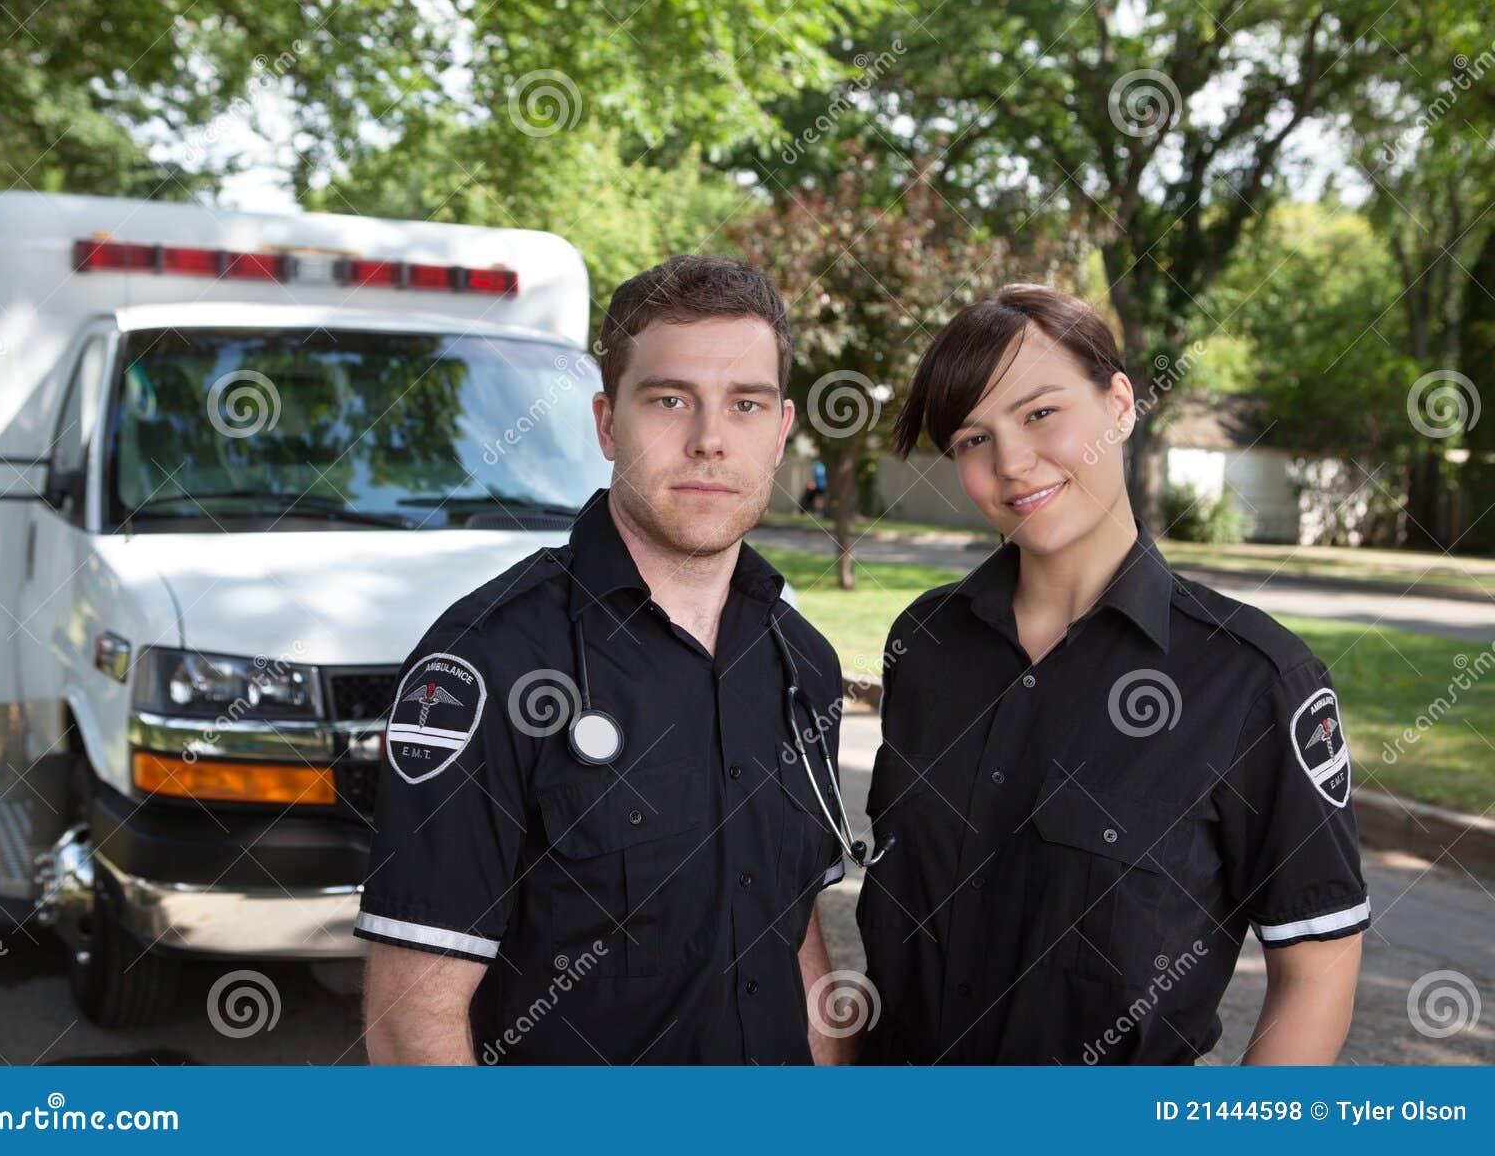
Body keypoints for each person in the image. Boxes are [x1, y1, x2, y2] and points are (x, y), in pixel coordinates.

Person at [856, 284, 1368, 1064]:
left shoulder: (1254, 680)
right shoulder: (924, 643)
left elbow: (1317, 966)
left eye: (1039, 414)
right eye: (972, 439)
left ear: (1121, 403)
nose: (1013, 463)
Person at [356, 255, 849, 1064]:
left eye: (745, 404)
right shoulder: (487, 661)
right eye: (669, 400)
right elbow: (414, 1016)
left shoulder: (804, 664)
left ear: (783, 428)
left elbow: (796, 939)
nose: (710, 440)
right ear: (607, 422)